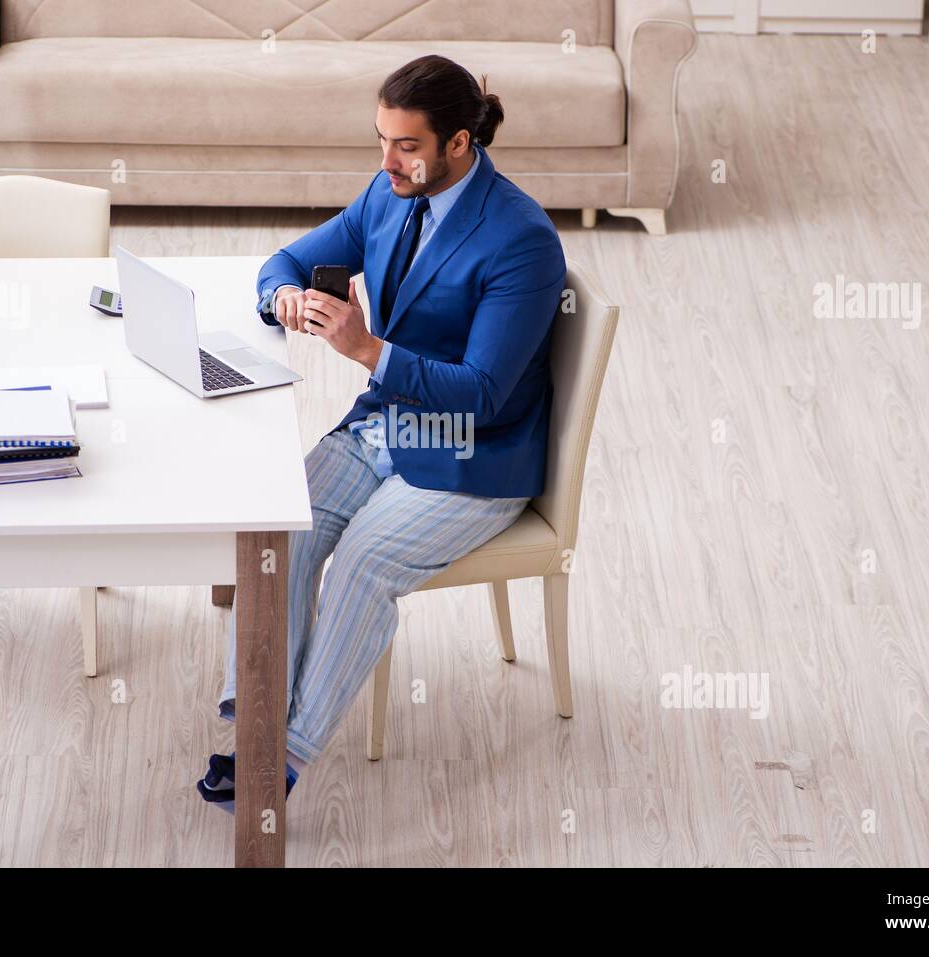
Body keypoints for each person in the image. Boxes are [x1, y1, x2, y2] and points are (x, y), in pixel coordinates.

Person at [199, 54, 566, 812]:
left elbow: (485, 394)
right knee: (280, 528)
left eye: (406, 145)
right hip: (385, 426)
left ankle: (281, 759)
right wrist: (285, 297)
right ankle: (257, 718)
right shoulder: (388, 192)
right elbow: (287, 259)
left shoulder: (521, 240)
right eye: (380, 139)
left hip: (476, 452)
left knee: (363, 562)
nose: (387, 160)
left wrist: (370, 350)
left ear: (459, 144)